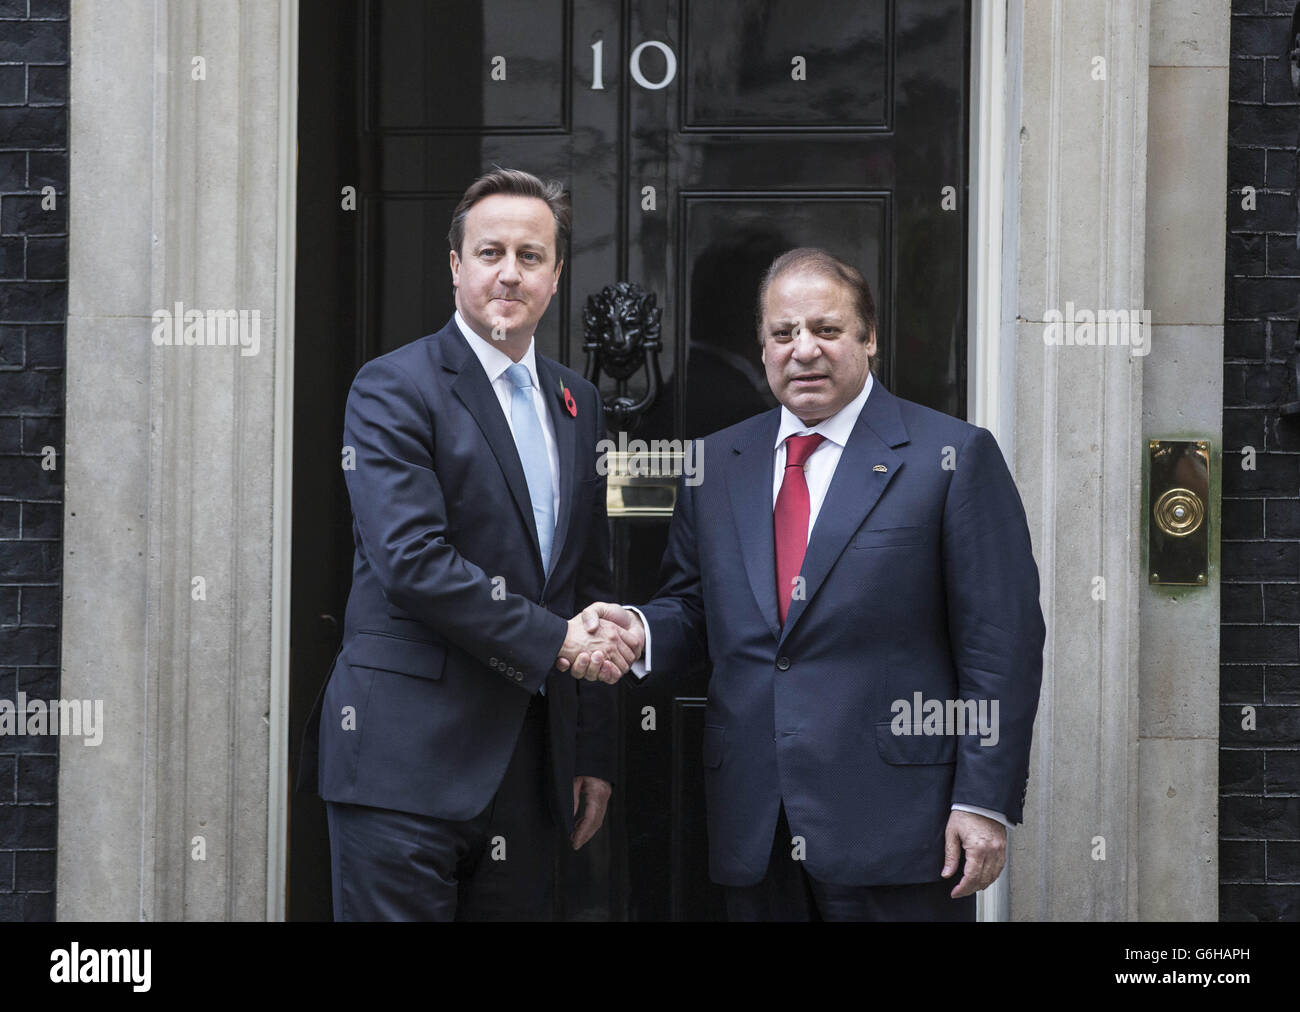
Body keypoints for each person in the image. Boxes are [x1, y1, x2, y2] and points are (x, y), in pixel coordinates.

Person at [562, 248, 1045, 921]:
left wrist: (981, 800)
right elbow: (695, 608)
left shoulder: (952, 458)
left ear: (869, 337)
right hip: (757, 826)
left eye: (827, 330)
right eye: (784, 334)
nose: (804, 350)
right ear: (761, 346)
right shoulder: (717, 463)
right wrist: (637, 631)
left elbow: (1003, 645)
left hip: (901, 829)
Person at [298, 168, 639, 921]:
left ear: (555, 278)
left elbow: (587, 584)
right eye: (490, 253)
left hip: (530, 770)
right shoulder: (393, 387)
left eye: (530, 255)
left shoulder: (577, 405)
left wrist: (590, 754)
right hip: (401, 766)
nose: (508, 273)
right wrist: (558, 642)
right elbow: (412, 562)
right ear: (456, 267)